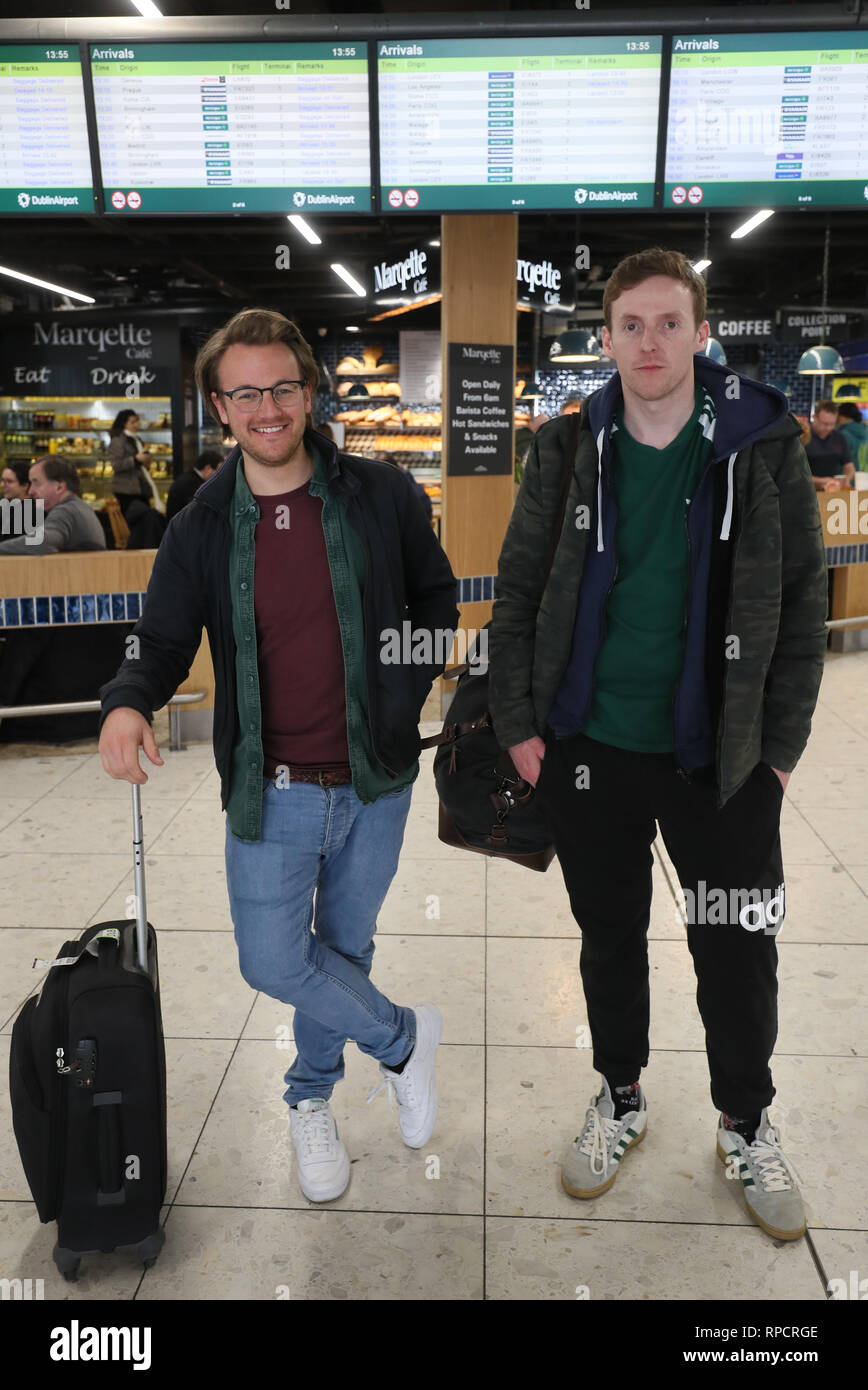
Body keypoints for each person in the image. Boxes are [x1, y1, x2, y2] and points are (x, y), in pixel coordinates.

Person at [489, 246, 827, 1243]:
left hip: (719, 758)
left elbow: (803, 601)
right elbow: (514, 593)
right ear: (605, 338)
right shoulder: (561, 449)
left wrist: (779, 748)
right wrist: (517, 724)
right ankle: (621, 1093)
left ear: (700, 332)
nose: (648, 342)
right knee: (609, 938)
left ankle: (745, 1122)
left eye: (667, 323)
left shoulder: (760, 445)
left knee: (735, 945)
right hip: (586, 748)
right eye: (629, 325)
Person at [97, 307, 459, 1205]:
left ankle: (309, 1101)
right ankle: (405, 1038)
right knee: (272, 959)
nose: (268, 407)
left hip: (376, 782)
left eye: (283, 387)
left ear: (309, 391)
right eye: (246, 392)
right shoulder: (200, 525)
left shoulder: (384, 496)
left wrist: (402, 697)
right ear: (221, 407)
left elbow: (437, 603)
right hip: (273, 788)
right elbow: (161, 636)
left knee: (344, 946)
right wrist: (127, 701)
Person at [0, 455, 106, 554]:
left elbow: (41, 543)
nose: (31, 491)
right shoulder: (78, 506)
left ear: (59, 487)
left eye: (36, 483)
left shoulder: (66, 511)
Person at [805, 399, 855, 490]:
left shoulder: (839, 437)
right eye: (825, 424)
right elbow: (796, 474)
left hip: (831, 491)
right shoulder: (803, 437)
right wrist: (822, 481)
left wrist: (847, 479)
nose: (828, 428)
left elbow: (849, 466)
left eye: (832, 424)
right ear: (814, 417)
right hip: (806, 491)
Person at [165, 449, 223, 520]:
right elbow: (197, 513)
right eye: (218, 470)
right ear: (207, 468)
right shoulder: (192, 484)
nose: (219, 475)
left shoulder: (190, 477)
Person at [836, 402, 868, 472]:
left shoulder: (841, 434)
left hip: (846, 478)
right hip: (864, 478)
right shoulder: (865, 432)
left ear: (842, 416)